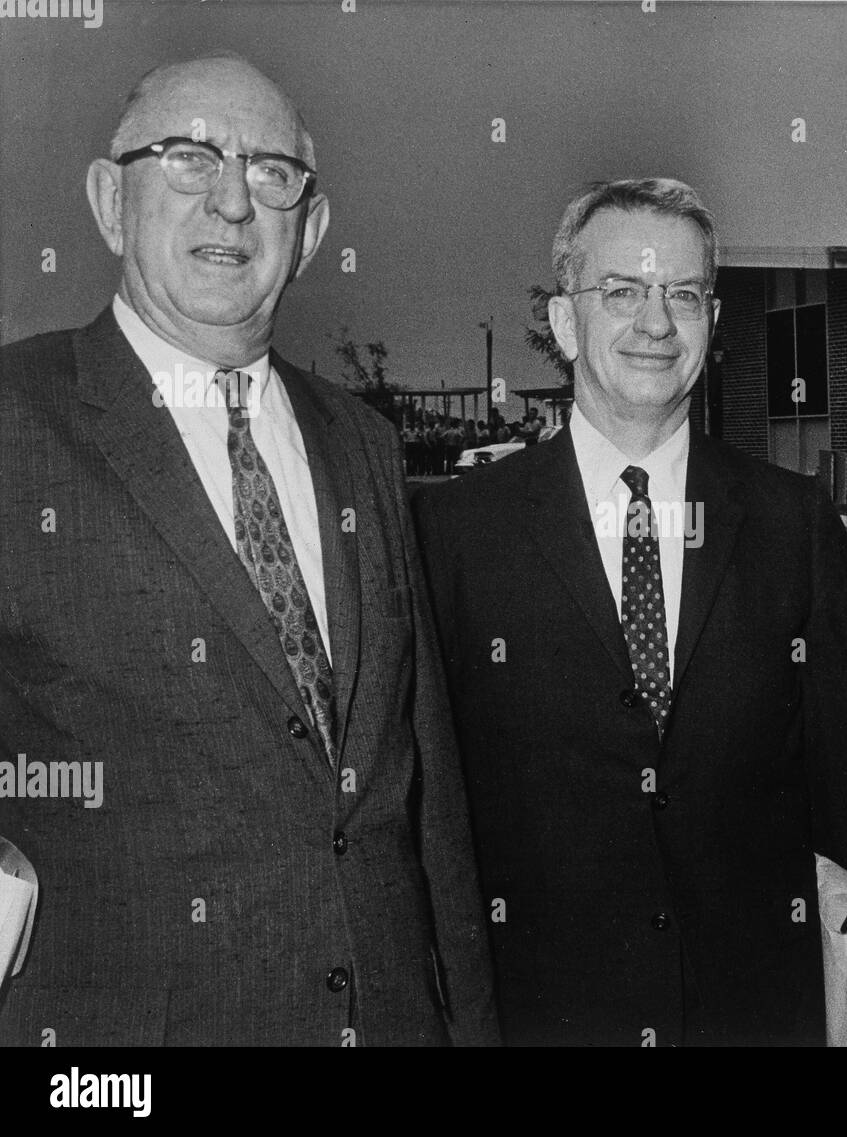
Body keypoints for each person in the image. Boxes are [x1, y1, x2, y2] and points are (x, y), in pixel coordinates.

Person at [0, 53, 496, 1046]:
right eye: (188, 160)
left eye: (270, 174)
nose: (231, 203)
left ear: (307, 232)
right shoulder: (18, 424)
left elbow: (423, 785)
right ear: (109, 202)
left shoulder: (361, 444)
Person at [413, 178, 847, 1045]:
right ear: (563, 322)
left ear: (714, 318)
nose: (656, 324)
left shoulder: (791, 523)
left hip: (753, 1015)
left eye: (684, 295)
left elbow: (846, 800)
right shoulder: (454, 534)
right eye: (622, 292)